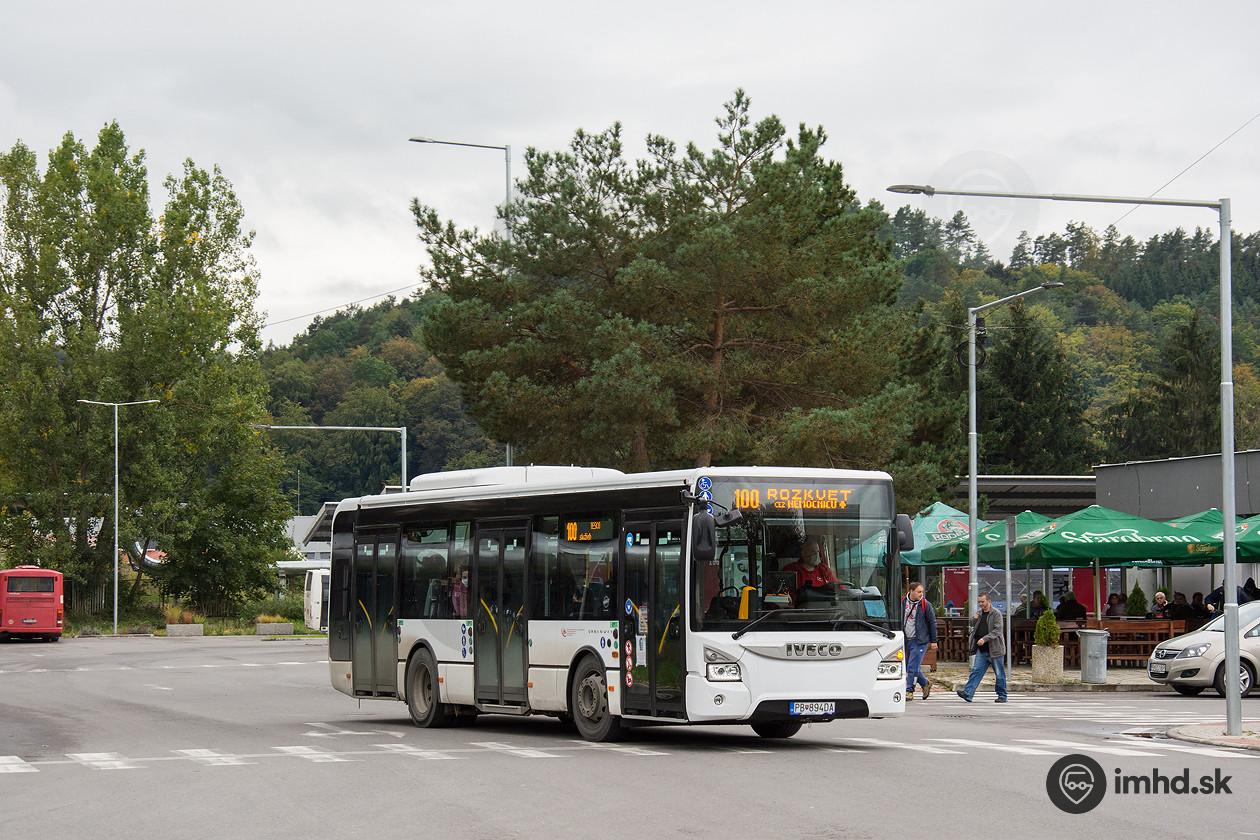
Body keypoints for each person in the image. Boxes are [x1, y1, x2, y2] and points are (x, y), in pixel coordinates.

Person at [956, 592, 1007, 703]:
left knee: (999, 673)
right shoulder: (979, 614)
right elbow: (972, 626)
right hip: (982, 650)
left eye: (983, 602)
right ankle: (968, 693)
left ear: (989, 601)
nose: (981, 604)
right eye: (979, 602)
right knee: (976, 671)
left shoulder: (996, 613)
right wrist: (973, 620)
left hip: (995, 650)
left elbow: (997, 630)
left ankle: (1002, 695)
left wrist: (985, 639)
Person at [901, 582, 938, 701]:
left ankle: (909, 691)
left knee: (912, 666)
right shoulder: (902, 602)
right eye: (918, 591)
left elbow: (932, 623)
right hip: (906, 639)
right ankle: (925, 683)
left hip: (920, 640)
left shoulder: (925, 605)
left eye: (922, 592)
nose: (921, 594)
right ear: (911, 591)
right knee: (909, 666)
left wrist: (933, 641)